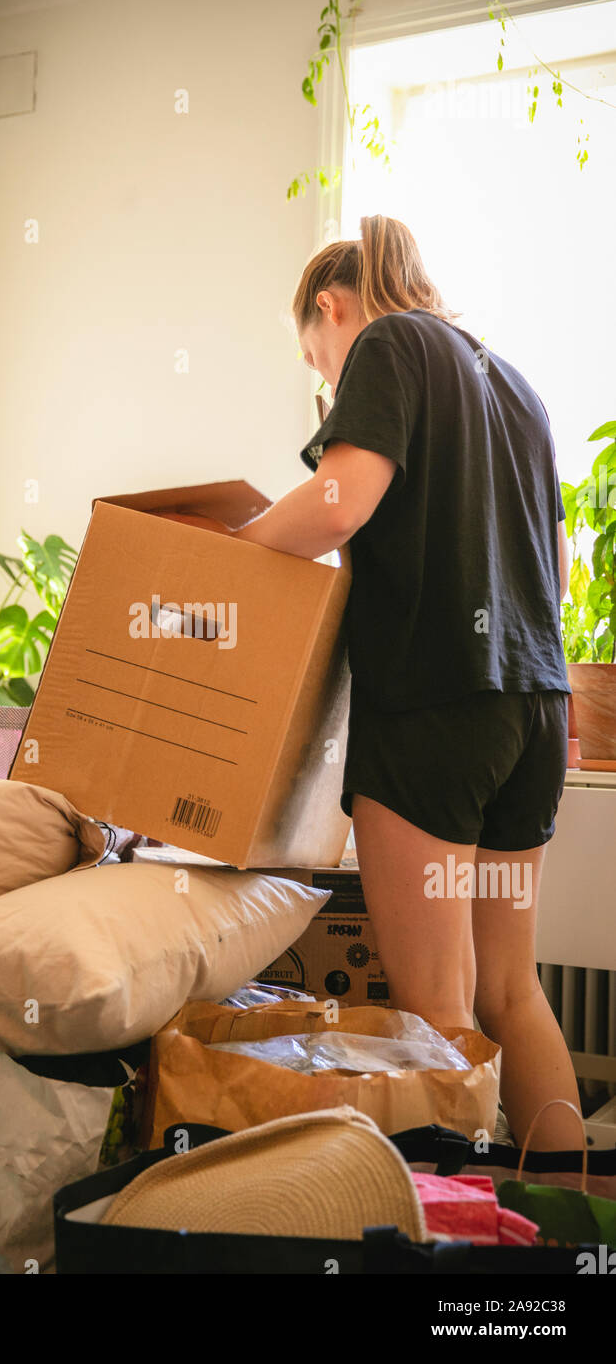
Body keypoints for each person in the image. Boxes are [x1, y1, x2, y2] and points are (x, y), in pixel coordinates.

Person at [231, 214, 581, 1151]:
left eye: (318, 359)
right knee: (514, 993)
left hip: (434, 710)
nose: (326, 382)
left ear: (333, 309)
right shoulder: (516, 386)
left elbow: (340, 504)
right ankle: (573, 1235)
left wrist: (222, 557)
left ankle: (460, 1252)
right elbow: (554, 565)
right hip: (535, 714)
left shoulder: (389, 344)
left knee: (438, 1012)